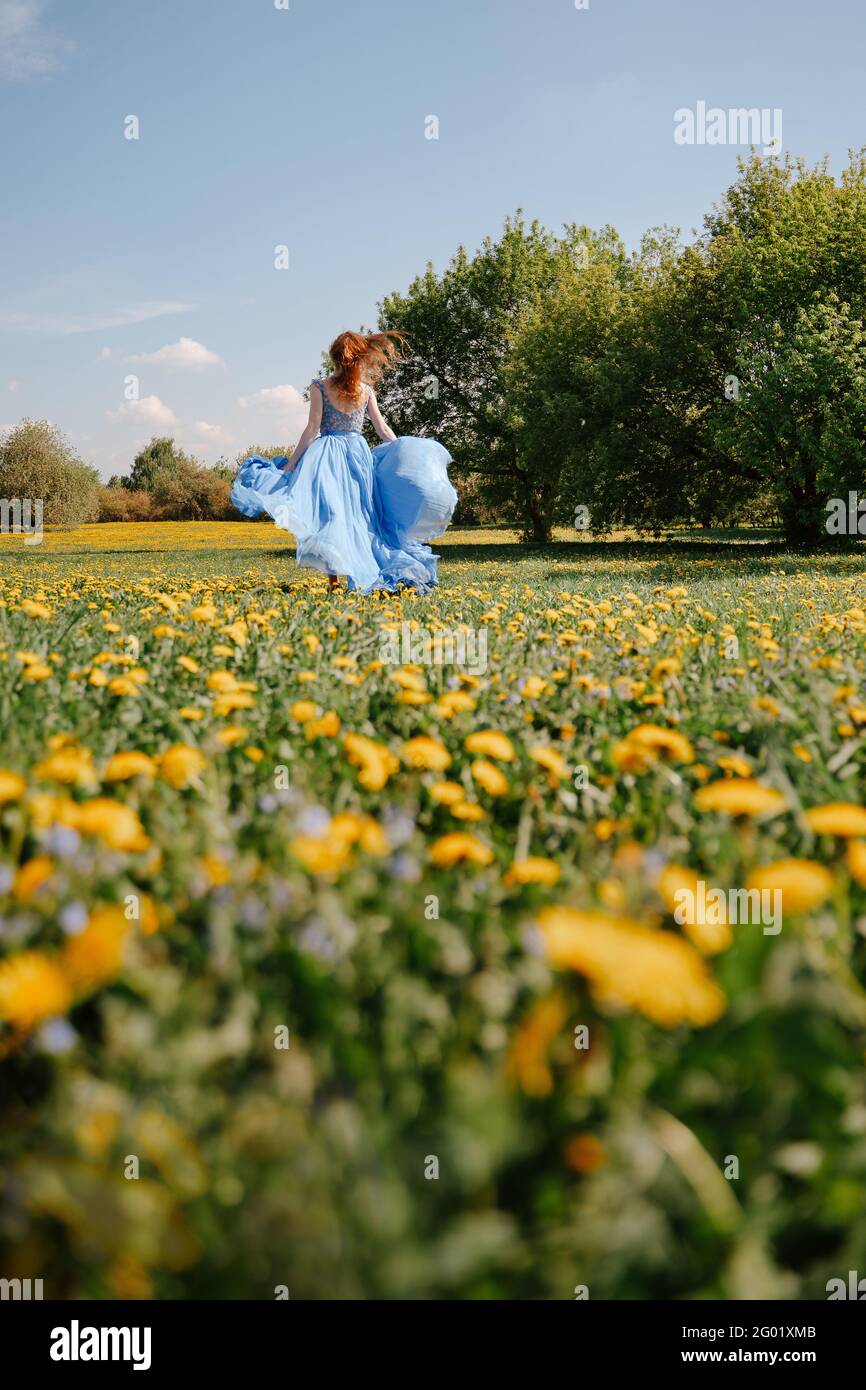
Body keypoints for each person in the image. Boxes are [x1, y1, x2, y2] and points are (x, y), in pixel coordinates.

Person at [231, 331, 456, 593]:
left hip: (327, 455)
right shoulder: (366, 391)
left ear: (335, 359)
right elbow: (383, 430)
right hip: (357, 455)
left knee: (333, 515)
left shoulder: (320, 387)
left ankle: (336, 580)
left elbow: (312, 430)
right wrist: (402, 451)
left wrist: (292, 464)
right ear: (360, 359)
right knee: (361, 518)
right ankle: (346, 578)